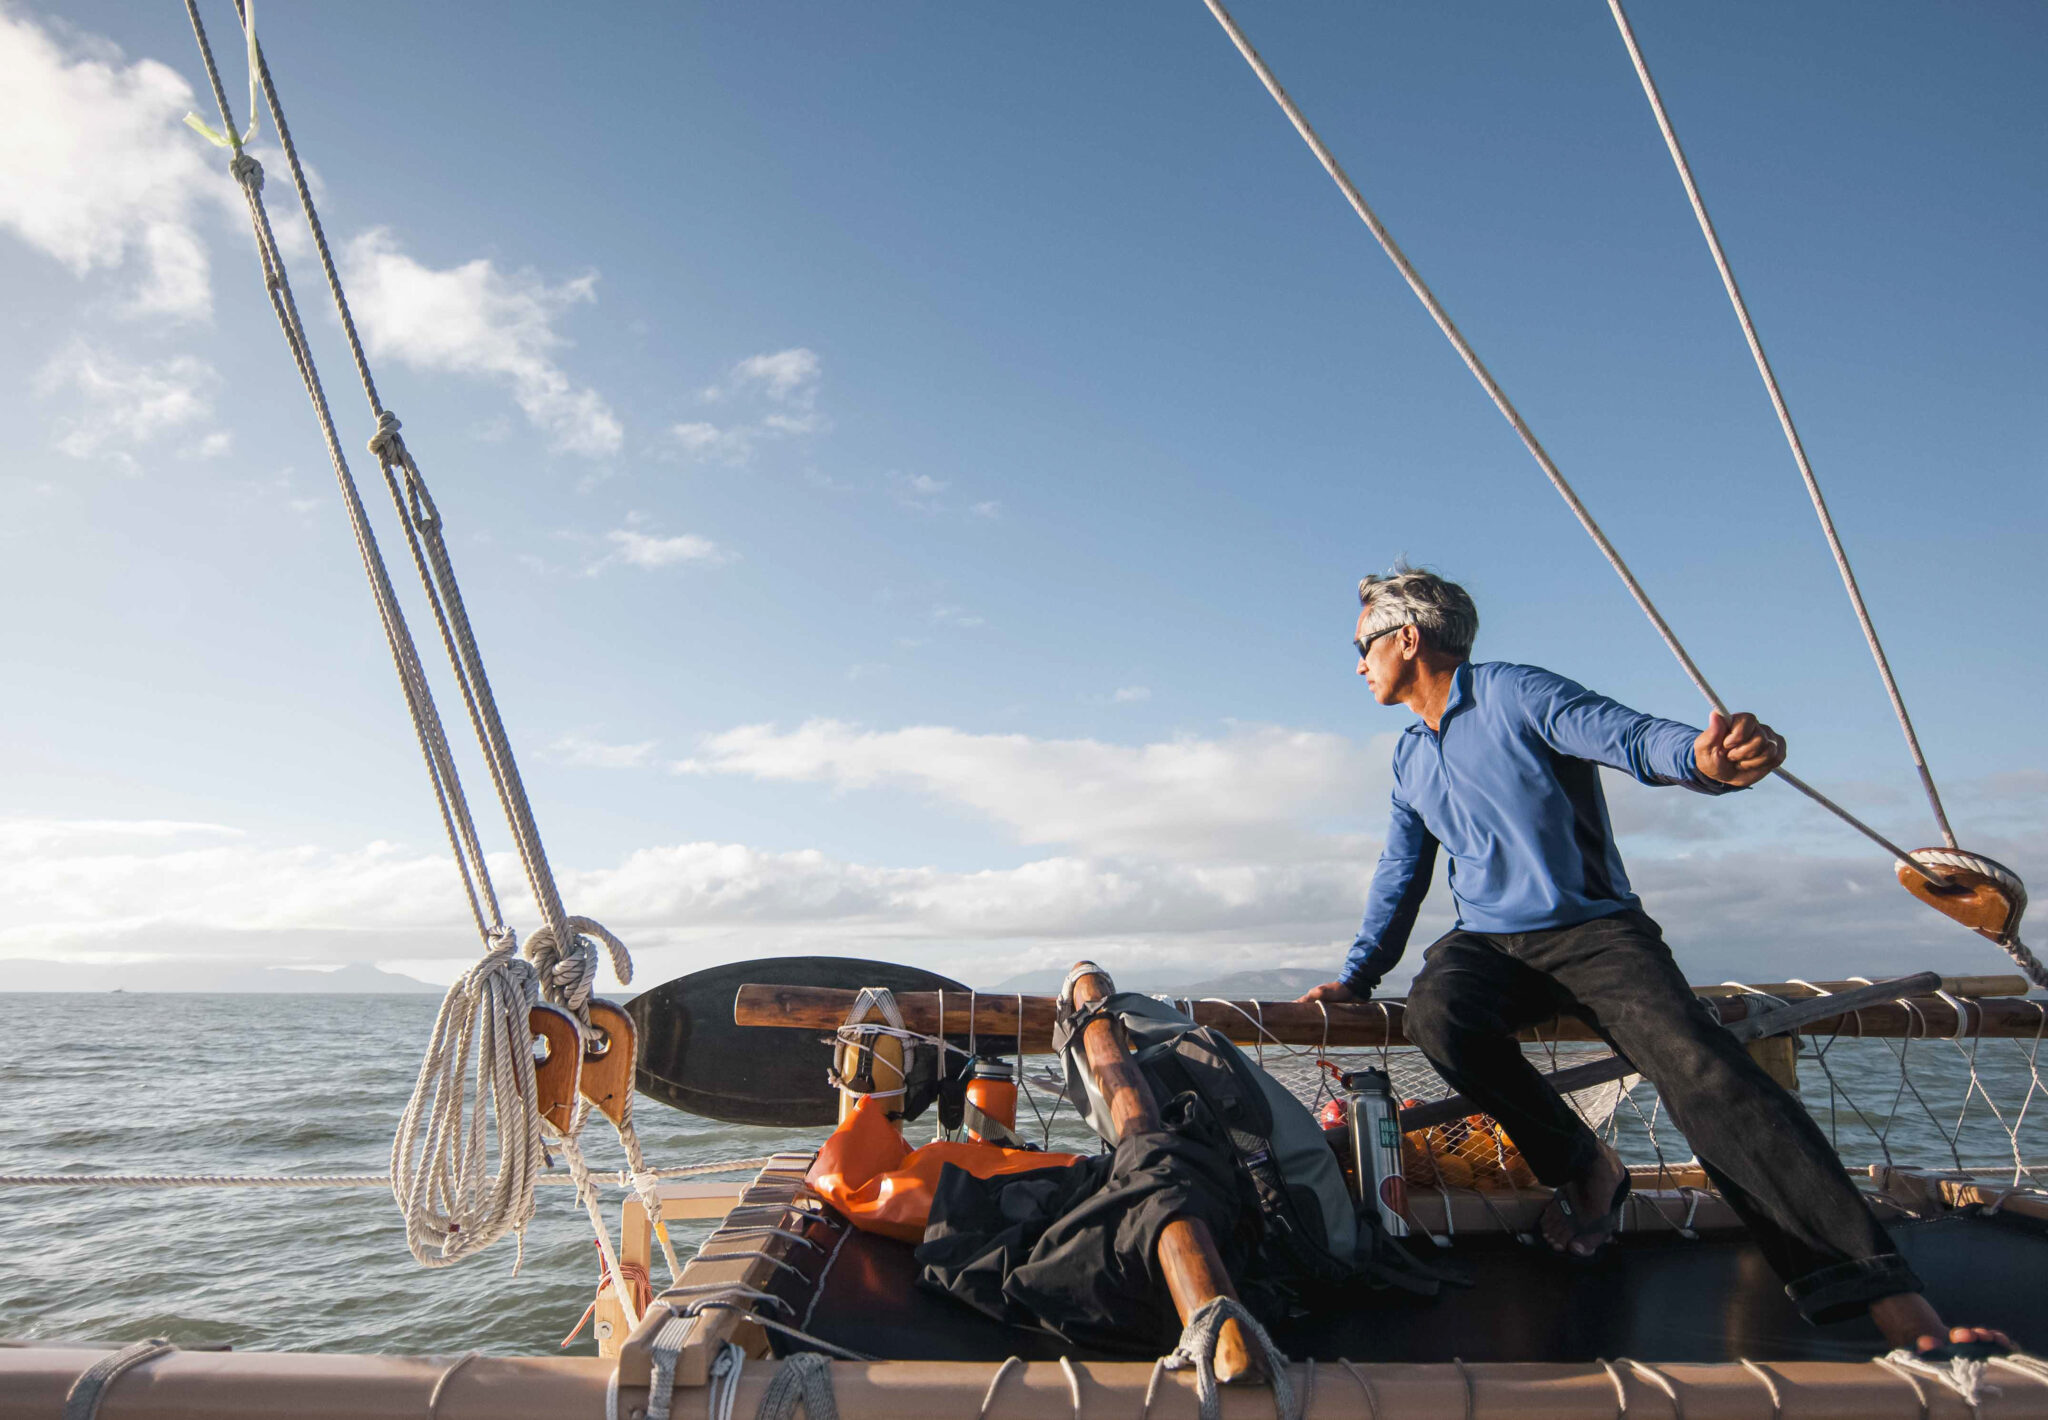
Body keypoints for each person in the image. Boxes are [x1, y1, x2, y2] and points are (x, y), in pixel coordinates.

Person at [1298, 564, 2008, 1355]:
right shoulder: (1406, 758)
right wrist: (1358, 977)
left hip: (1597, 933)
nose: (1358, 665)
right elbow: (1403, 873)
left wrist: (1706, 762)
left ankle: (1902, 1314)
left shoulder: (1513, 693)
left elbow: (1629, 735)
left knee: (1706, 1073)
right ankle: (1584, 1165)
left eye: (1361, 647)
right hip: (1491, 945)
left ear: (1407, 639)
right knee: (1438, 1012)